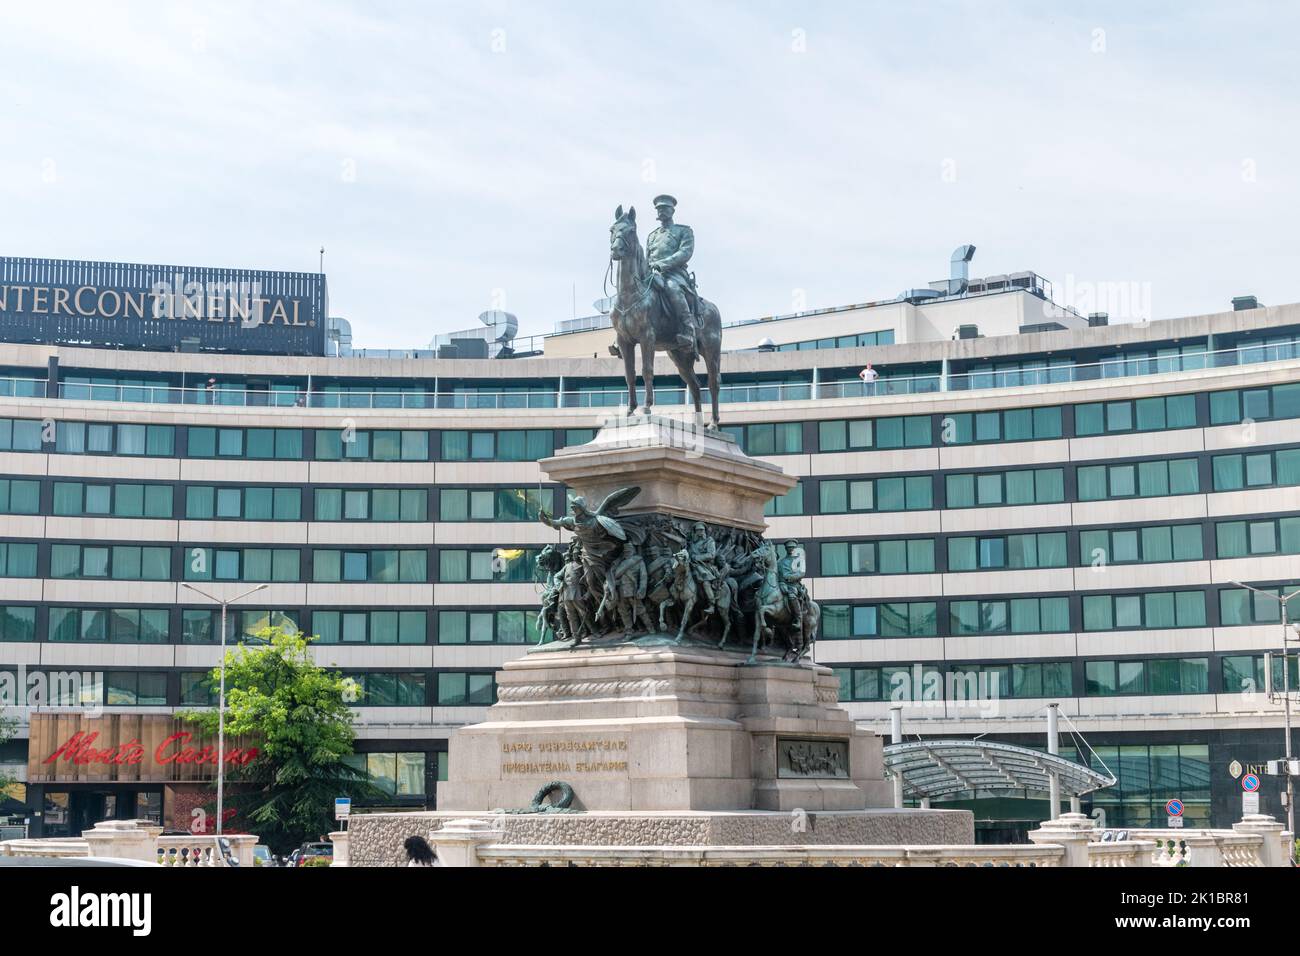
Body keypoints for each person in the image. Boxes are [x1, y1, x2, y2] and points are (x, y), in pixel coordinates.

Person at [645, 194, 699, 355]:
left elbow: (685, 252)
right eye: (659, 208)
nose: (661, 211)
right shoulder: (652, 236)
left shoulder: (684, 231)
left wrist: (662, 264)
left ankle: (689, 331)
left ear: (672, 210)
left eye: (665, 208)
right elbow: (647, 258)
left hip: (675, 274)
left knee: (672, 289)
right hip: (653, 274)